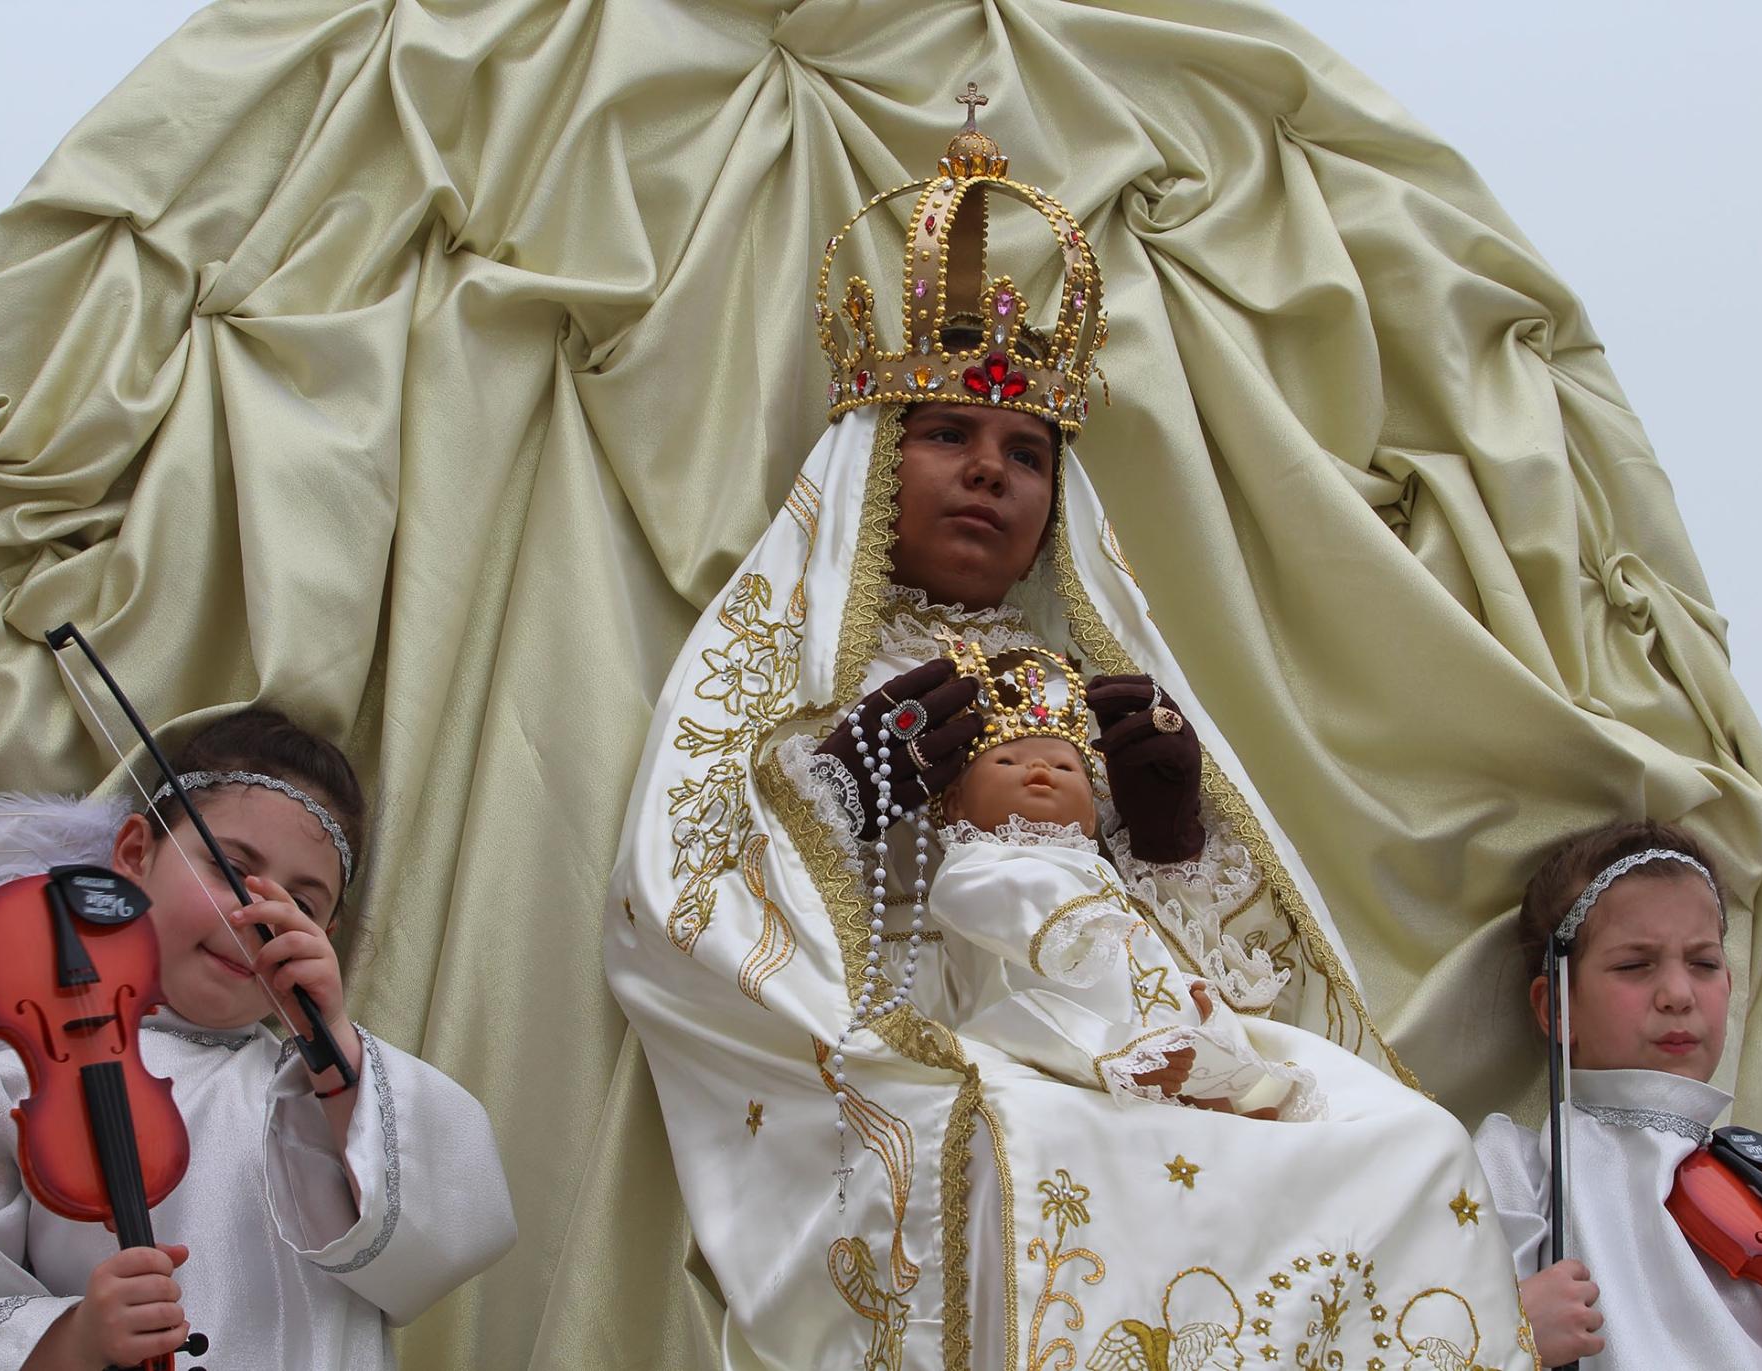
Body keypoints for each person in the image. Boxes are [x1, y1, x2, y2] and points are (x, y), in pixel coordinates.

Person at [609, 100, 1536, 1370]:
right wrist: (839, 804)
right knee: (1029, 1151)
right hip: (930, 1045)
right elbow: (683, 907)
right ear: (874, 464)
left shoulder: (1089, 685)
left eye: (1028, 453)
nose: (992, 472)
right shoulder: (796, 672)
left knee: (1408, 1141)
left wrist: (1165, 838)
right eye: (949, 435)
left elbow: (1218, 967)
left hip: (1121, 1032)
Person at [0, 708, 517, 1371]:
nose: (258, 916)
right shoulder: (16, 1085)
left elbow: (451, 1232)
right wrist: (74, 1337)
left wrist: (334, 1045)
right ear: (135, 855)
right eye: (229, 868)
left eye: (301, 905)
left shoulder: (339, 1100)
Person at [1473, 819, 1762, 1368]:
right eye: (1635, 965)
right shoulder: (1514, 1164)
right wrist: (1509, 1332)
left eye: (1704, 964)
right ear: (1556, 1006)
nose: (1678, 994)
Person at [924, 638, 1318, 1120]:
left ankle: (1217, 1108)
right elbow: (987, 904)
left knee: (1182, 1022)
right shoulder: (974, 863)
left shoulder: (1100, 868)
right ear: (954, 805)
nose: (1040, 768)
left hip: (1124, 1000)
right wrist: (1078, 922)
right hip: (1035, 1013)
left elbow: (1141, 949)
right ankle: (1130, 1070)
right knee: (1035, 1019)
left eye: (1065, 766)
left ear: (1091, 815)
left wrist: (1185, 989)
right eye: (1007, 761)